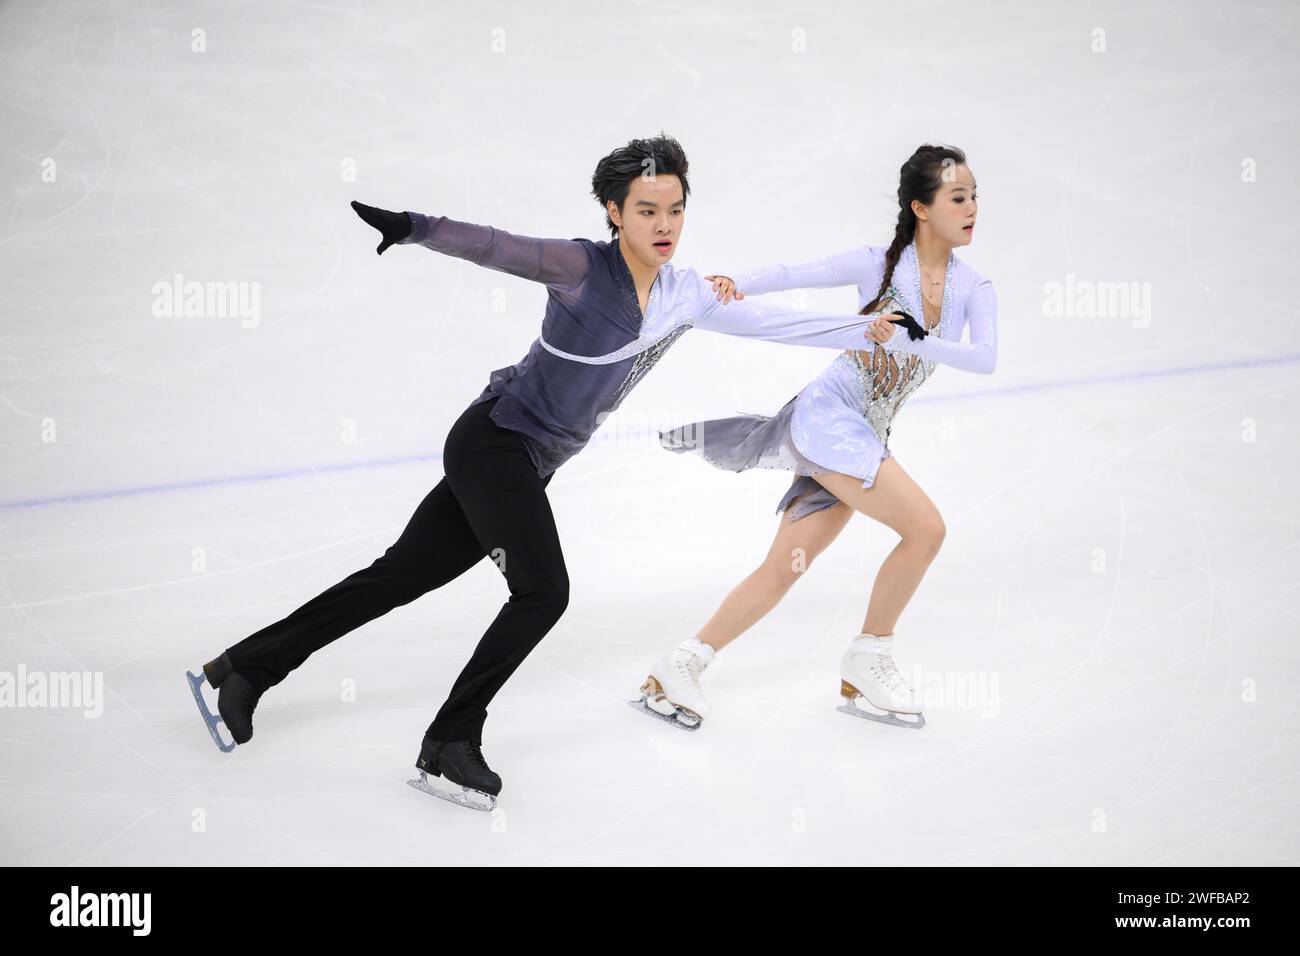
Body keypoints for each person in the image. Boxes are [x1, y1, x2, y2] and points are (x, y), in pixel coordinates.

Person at [186, 133, 892, 811]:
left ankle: (246, 666)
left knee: (398, 575)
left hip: (527, 462)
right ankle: (451, 738)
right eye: (646, 209)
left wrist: (868, 330)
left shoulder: (686, 294)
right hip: (493, 442)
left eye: (675, 208)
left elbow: (770, 324)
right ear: (614, 213)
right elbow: (498, 247)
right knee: (543, 592)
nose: (664, 223)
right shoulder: (583, 270)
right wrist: (413, 225)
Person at [640, 144, 997, 733]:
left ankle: (680, 665)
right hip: (830, 419)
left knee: (785, 566)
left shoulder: (974, 287)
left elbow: (984, 359)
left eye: (975, 196)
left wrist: (914, 342)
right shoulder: (882, 265)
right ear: (922, 207)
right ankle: (871, 654)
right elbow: (796, 274)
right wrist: (735, 284)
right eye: (959, 197)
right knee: (926, 529)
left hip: (865, 429)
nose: (973, 208)